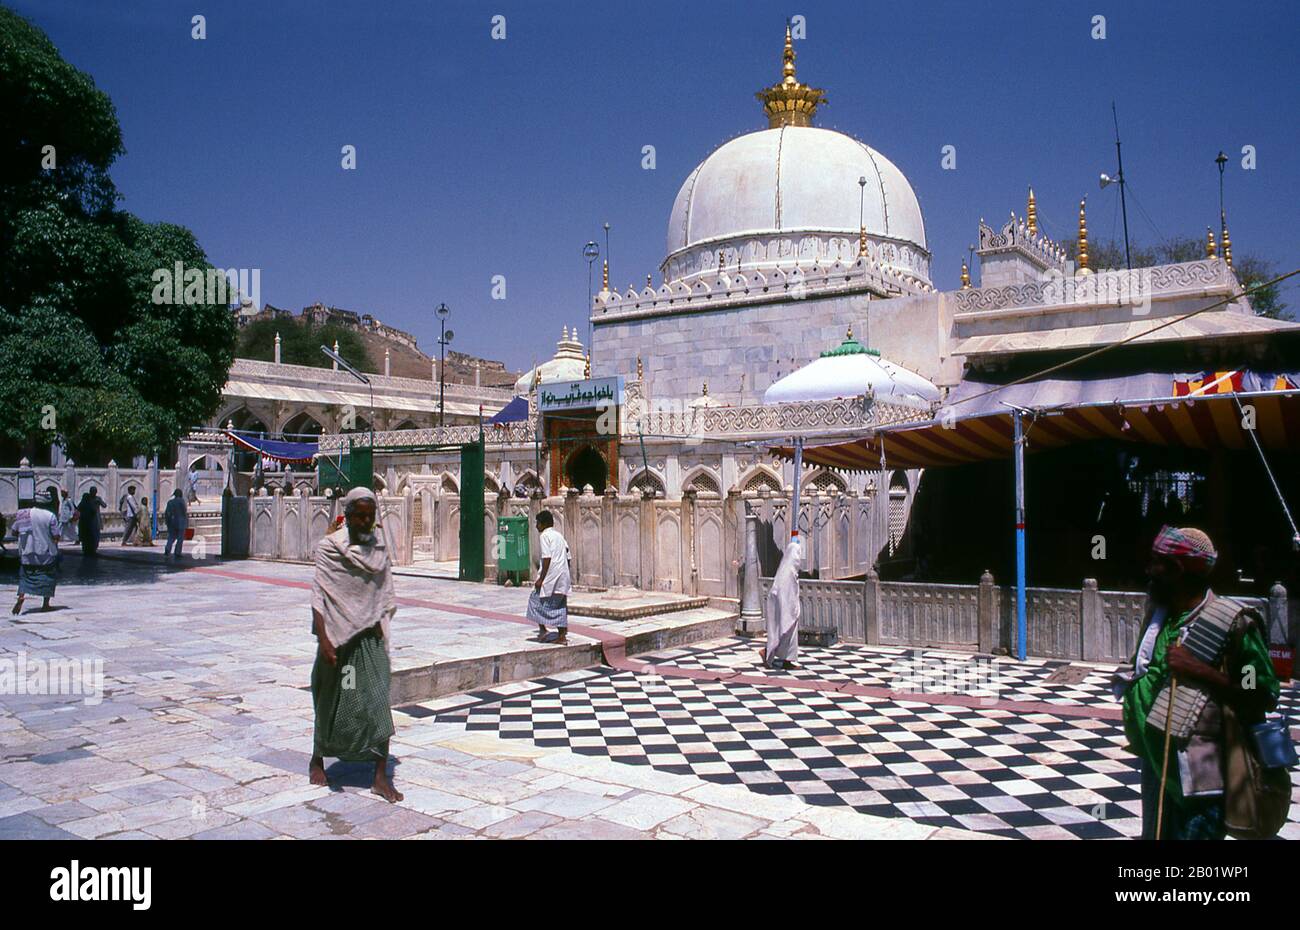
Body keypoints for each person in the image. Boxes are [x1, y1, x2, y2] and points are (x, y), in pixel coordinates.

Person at [1113, 526, 1280, 840]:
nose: (1149, 569)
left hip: (1200, 778)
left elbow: (1261, 694)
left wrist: (1201, 670)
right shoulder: (1159, 615)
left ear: (1177, 570)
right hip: (1157, 768)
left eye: (1156, 562)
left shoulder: (1234, 623)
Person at [308, 487, 402, 803]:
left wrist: (378, 622)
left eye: (369, 515)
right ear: (346, 516)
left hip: (370, 637)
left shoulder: (378, 550)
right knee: (330, 699)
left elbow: (383, 592)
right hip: (337, 636)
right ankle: (318, 757)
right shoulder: (329, 548)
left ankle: (379, 775)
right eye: (359, 515)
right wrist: (323, 638)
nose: (365, 521)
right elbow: (319, 595)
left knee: (377, 703)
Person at [12, 490, 61, 614]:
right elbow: (56, 536)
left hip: (27, 553)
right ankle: (45, 604)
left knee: (25, 575)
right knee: (48, 576)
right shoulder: (50, 516)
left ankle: (21, 596)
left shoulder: (22, 513)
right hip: (46, 554)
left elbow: (14, 532)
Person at [526, 510, 570, 644]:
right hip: (562, 575)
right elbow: (568, 554)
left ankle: (543, 629)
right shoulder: (559, 535)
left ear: (544, 524)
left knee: (535, 600)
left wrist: (541, 579)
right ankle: (561, 635)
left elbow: (546, 557)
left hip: (551, 575)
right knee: (560, 604)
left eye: (538, 523)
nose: (536, 526)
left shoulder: (545, 536)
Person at [761, 534, 803, 669]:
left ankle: (787, 660)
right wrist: (790, 609)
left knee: (788, 635)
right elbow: (784, 592)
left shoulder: (789, 569)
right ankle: (767, 652)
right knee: (780, 631)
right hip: (784, 607)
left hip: (788, 608)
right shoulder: (787, 571)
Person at [77, 488, 105, 556]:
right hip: (89, 523)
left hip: (95, 520)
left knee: (94, 536)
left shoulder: (97, 499)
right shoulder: (86, 501)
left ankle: (92, 550)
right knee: (89, 537)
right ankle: (89, 550)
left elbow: (104, 505)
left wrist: (99, 501)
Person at [164, 489, 188, 559]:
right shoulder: (182, 501)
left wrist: (168, 522)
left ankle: (167, 550)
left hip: (172, 522)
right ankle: (177, 552)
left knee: (171, 537)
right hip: (181, 522)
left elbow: (167, 514)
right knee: (180, 538)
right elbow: (184, 512)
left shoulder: (170, 502)